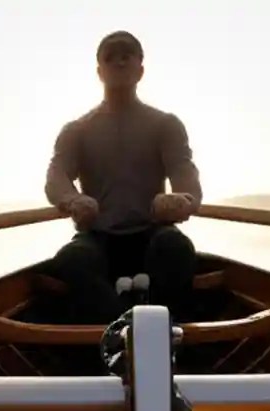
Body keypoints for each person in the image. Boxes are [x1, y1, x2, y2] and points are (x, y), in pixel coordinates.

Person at [44, 30, 202, 324]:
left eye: (126, 56)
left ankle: (154, 326)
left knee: (177, 249)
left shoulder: (165, 125)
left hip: (152, 233)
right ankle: (125, 328)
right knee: (72, 260)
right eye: (110, 57)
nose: (119, 63)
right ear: (99, 71)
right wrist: (72, 199)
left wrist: (183, 200)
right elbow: (56, 176)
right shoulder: (76, 130)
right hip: (98, 237)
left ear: (140, 70)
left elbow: (186, 177)